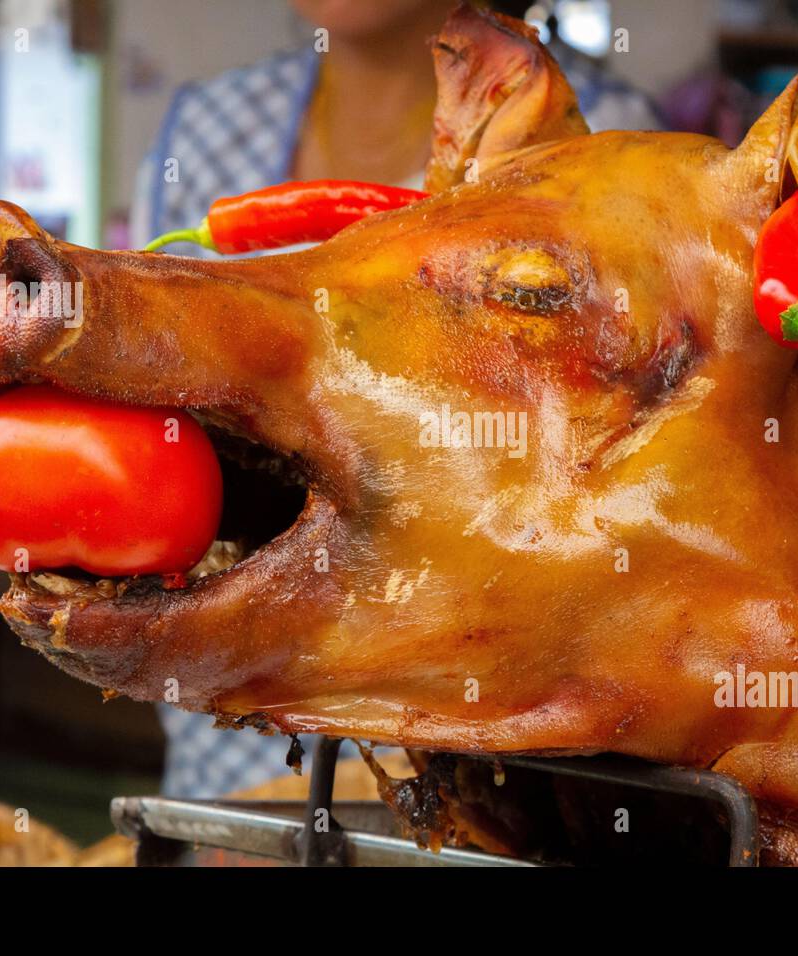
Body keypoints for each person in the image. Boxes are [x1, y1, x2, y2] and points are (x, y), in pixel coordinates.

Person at [131, 0, 661, 800]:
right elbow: (156, 442)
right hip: (227, 751)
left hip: (493, 756)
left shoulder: (611, 139)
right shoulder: (204, 130)